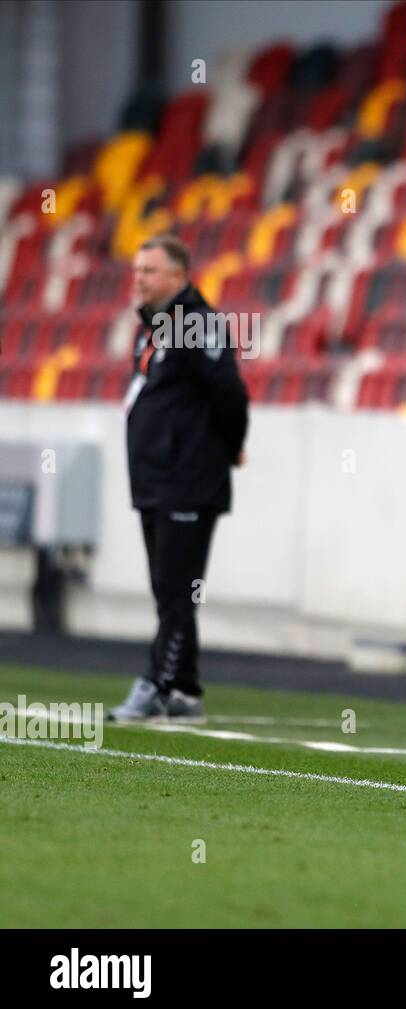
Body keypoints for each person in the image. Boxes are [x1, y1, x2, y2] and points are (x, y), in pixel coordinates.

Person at [108, 234, 249, 722]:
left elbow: (230, 392)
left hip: (188, 479)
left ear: (177, 275)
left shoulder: (198, 324)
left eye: (149, 271)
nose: (139, 280)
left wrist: (229, 449)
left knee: (176, 590)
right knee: (168, 587)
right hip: (154, 479)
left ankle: (156, 683)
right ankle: (184, 690)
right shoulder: (151, 328)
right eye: (136, 271)